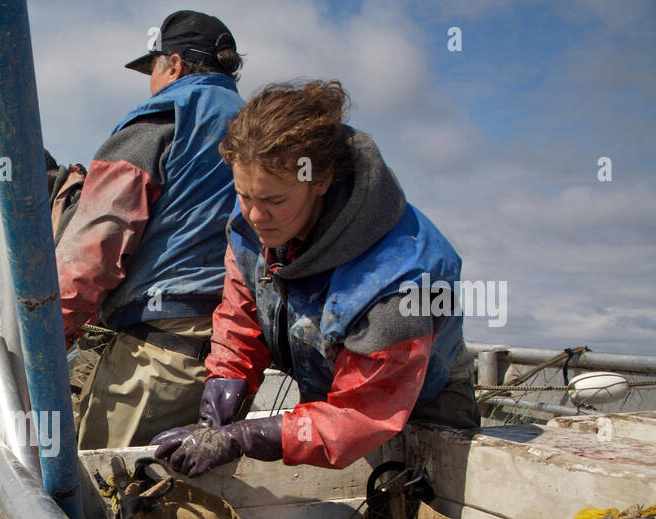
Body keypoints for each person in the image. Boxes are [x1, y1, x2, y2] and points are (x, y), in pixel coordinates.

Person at [154, 79, 479, 475]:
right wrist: (217, 411)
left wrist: (241, 437)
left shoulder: (401, 284)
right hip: (327, 404)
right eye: (245, 195)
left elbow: (359, 415)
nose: (255, 216)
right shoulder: (253, 229)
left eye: (274, 200)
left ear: (320, 180)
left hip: (417, 408)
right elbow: (241, 315)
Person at [57, 10, 244, 449]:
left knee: (100, 496)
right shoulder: (261, 127)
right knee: (179, 494)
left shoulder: (161, 120)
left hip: (157, 358)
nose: (151, 80)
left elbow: (90, 253)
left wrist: (38, 344)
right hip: (234, 356)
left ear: (174, 64)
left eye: (153, 67)